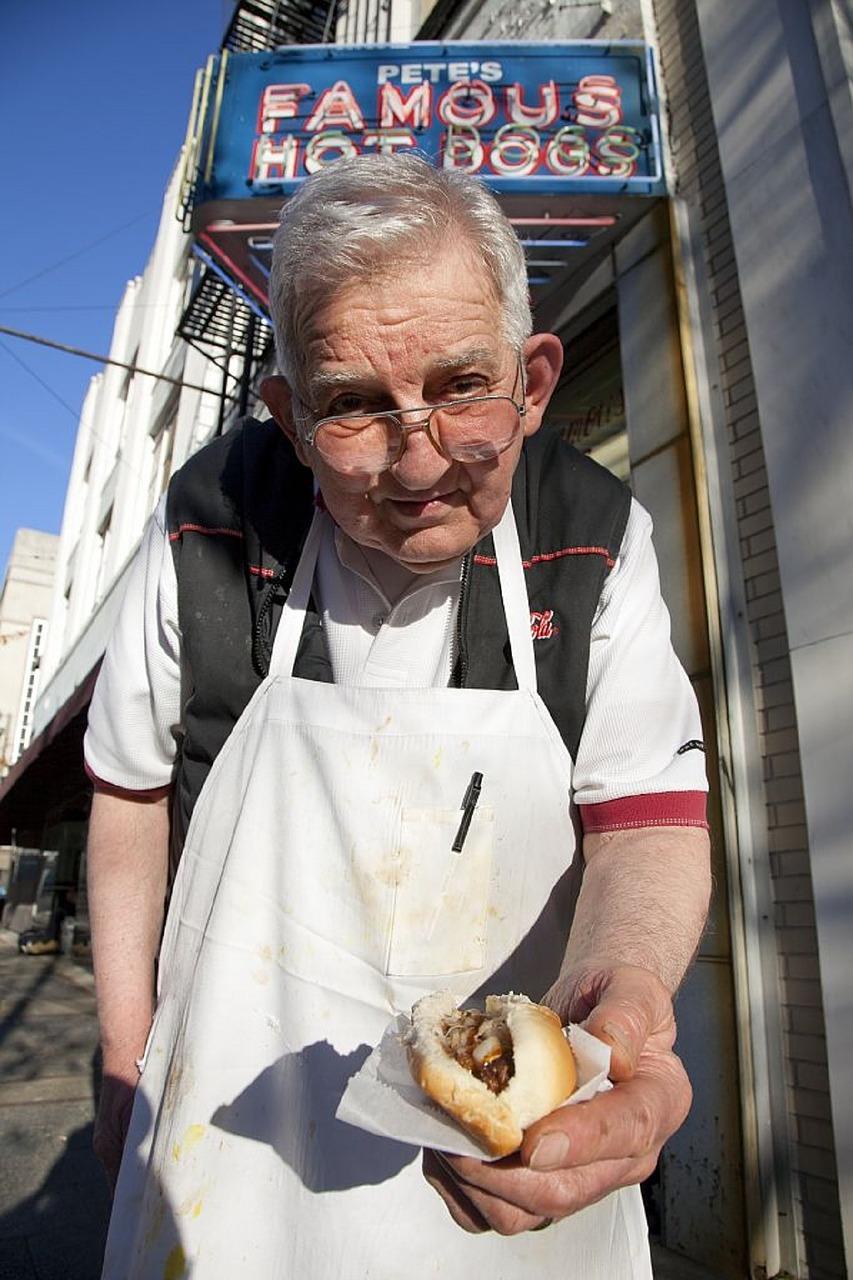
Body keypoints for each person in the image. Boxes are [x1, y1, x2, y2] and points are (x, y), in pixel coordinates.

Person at [86, 153, 710, 1278]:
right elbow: (128, 799)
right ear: (284, 412)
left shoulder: (595, 536)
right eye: (354, 408)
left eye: (461, 386)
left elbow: (648, 820)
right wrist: (123, 1052)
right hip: (225, 1155)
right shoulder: (205, 530)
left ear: (532, 377)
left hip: (520, 1175)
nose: (418, 457)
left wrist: (627, 989)